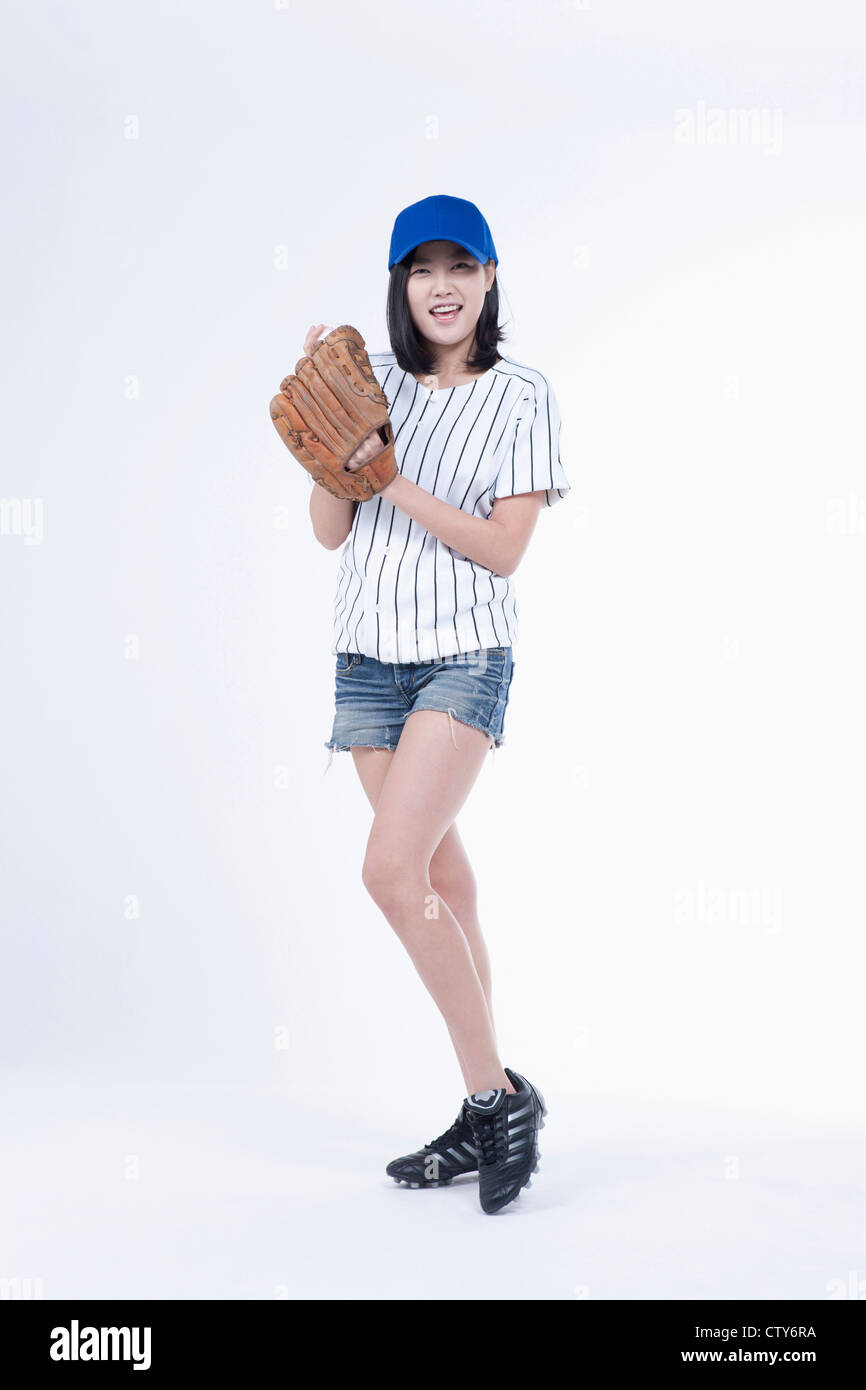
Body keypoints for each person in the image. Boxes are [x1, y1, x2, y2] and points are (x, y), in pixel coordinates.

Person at [305, 194, 571, 1214]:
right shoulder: (372, 380)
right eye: (421, 268)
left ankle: (493, 1097)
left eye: (462, 264)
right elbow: (332, 530)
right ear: (399, 286)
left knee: (386, 871)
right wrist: (335, 429)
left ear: (490, 278)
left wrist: (392, 476)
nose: (442, 284)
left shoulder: (521, 394)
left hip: (461, 655)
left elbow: (503, 549)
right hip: (366, 659)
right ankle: (484, 1102)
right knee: (440, 885)